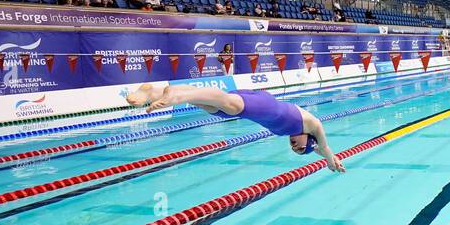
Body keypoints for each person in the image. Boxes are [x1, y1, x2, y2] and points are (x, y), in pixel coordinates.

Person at [126, 83, 344, 172]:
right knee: (228, 105)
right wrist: (330, 161)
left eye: (294, 150)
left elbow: (315, 148)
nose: (295, 147)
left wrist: (319, 153)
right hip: (264, 104)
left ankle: (152, 91)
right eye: (300, 148)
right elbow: (324, 147)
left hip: (254, 104)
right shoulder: (313, 125)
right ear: (310, 139)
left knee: (209, 106)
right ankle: (175, 94)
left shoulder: (294, 133)